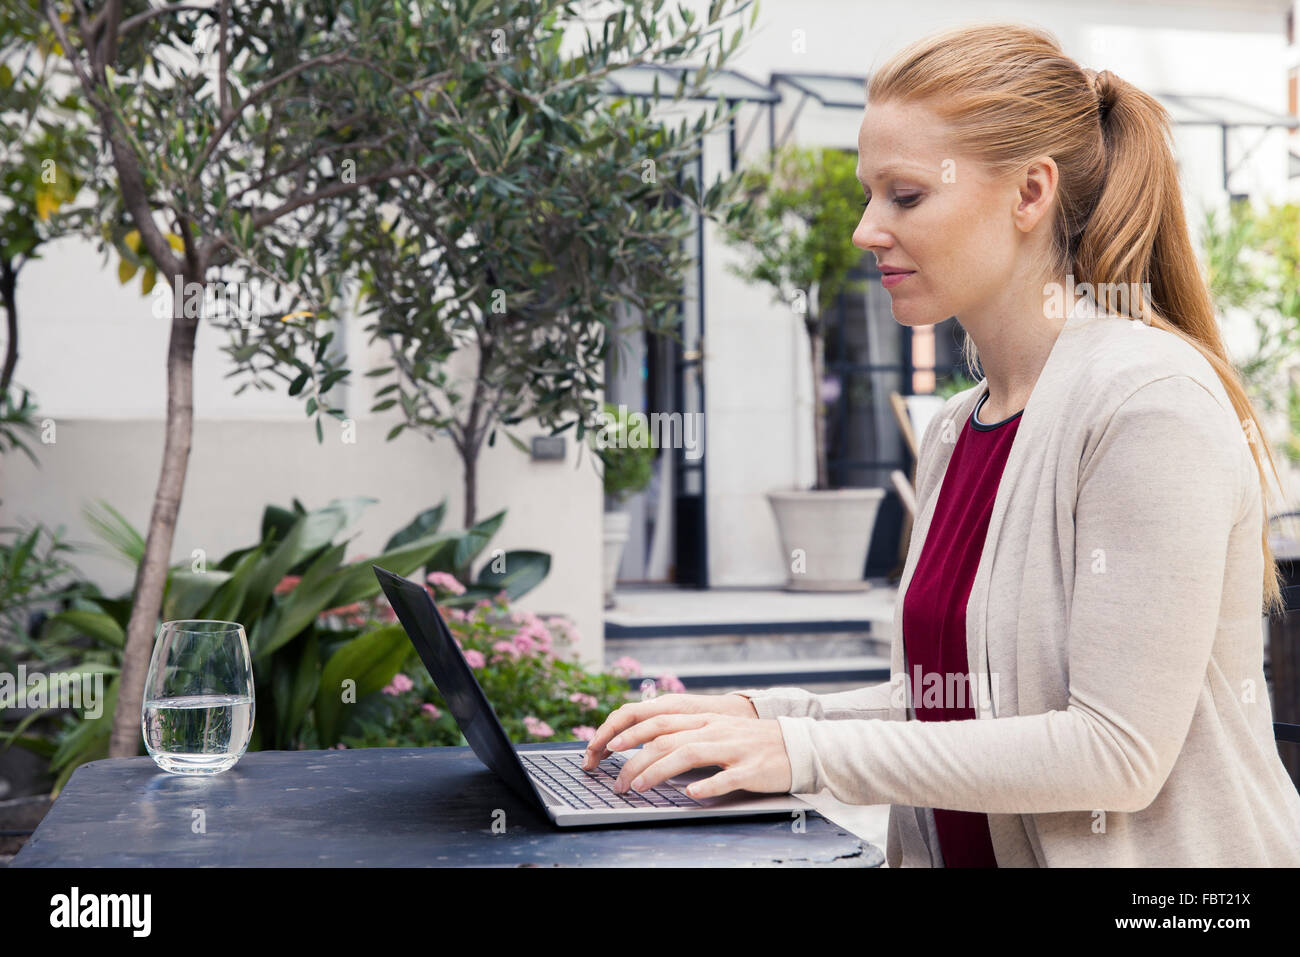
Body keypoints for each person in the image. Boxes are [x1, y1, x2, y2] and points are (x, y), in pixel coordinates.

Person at [582, 21, 1300, 867]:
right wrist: (764, 717)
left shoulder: (1148, 404)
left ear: (1030, 193)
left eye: (905, 195)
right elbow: (949, 704)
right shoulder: (960, 426)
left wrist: (803, 754)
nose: (865, 230)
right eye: (868, 194)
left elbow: (1114, 753)